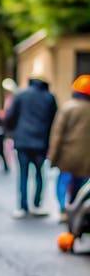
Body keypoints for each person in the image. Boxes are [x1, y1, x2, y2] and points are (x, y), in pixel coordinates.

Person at [4, 77, 57, 218]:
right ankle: (37, 204)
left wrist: (13, 130)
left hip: (22, 141)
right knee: (40, 174)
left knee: (23, 174)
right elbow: (54, 120)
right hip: (41, 142)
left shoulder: (21, 95)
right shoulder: (49, 97)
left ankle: (22, 206)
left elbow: (9, 117)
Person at [49, 74, 90, 215]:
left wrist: (52, 157)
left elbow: (57, 135)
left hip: (67, 156)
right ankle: (76, 210)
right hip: (86, 159)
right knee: (81, 187)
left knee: (62, 183)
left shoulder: (67, 108)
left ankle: (63, 209)